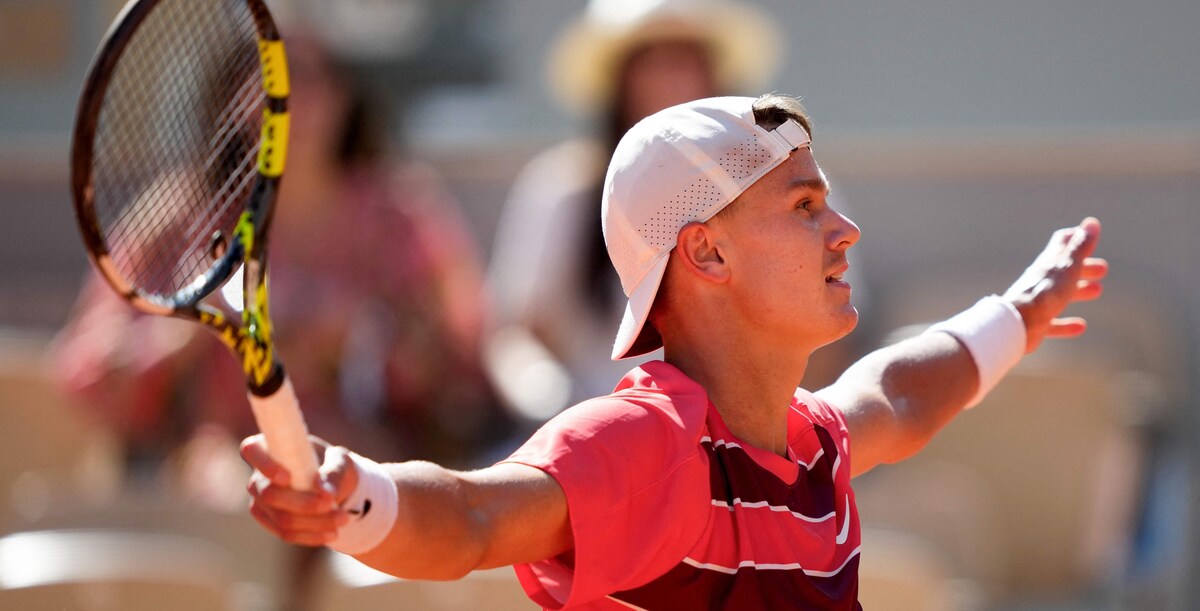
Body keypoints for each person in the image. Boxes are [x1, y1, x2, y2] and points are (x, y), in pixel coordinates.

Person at [242, 94, 1107, 609]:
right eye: (805, 207)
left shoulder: (817, 446)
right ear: (707, 253)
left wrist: (1021, 310)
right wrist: (358, 496)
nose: (845, 230)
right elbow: (473, 517)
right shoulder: (647, 442)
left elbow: (908, 394)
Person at [52, 19, 512, 507]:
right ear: (234, 100)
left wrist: (363, 343)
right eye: (267, 73)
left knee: (354, 497)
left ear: (345, 96)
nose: (291, 94)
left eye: (309, 73)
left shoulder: (400, 216)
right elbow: (86, 374)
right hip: (216, 474)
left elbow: (466, 367)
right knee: (240, 498)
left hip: (376, 468)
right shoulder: (177, 216)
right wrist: (189, 337)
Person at [484, 0, 864, 424]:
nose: (674, 78)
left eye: (687, 57)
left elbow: (833, 339)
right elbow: (514, 334)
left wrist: (764, 433)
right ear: (619, 82)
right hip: (596, 451)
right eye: (654, 60)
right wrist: (557, 409)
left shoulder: (794, 185)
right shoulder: (562, 189)